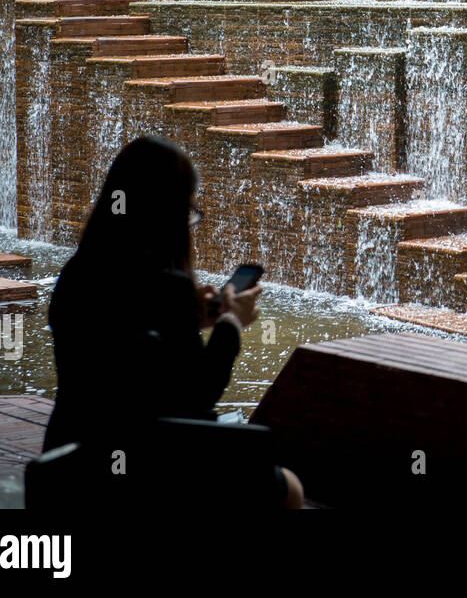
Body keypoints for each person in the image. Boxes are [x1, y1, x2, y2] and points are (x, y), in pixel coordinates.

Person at [43, 134, 303, 508]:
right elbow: (200, 391)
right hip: (157, 463)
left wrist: (189, 318)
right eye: (186, 210)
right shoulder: (170, 286)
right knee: (290, 487)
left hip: (71, 454)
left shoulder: (77, 273)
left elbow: (125, 346)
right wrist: (231, 322)